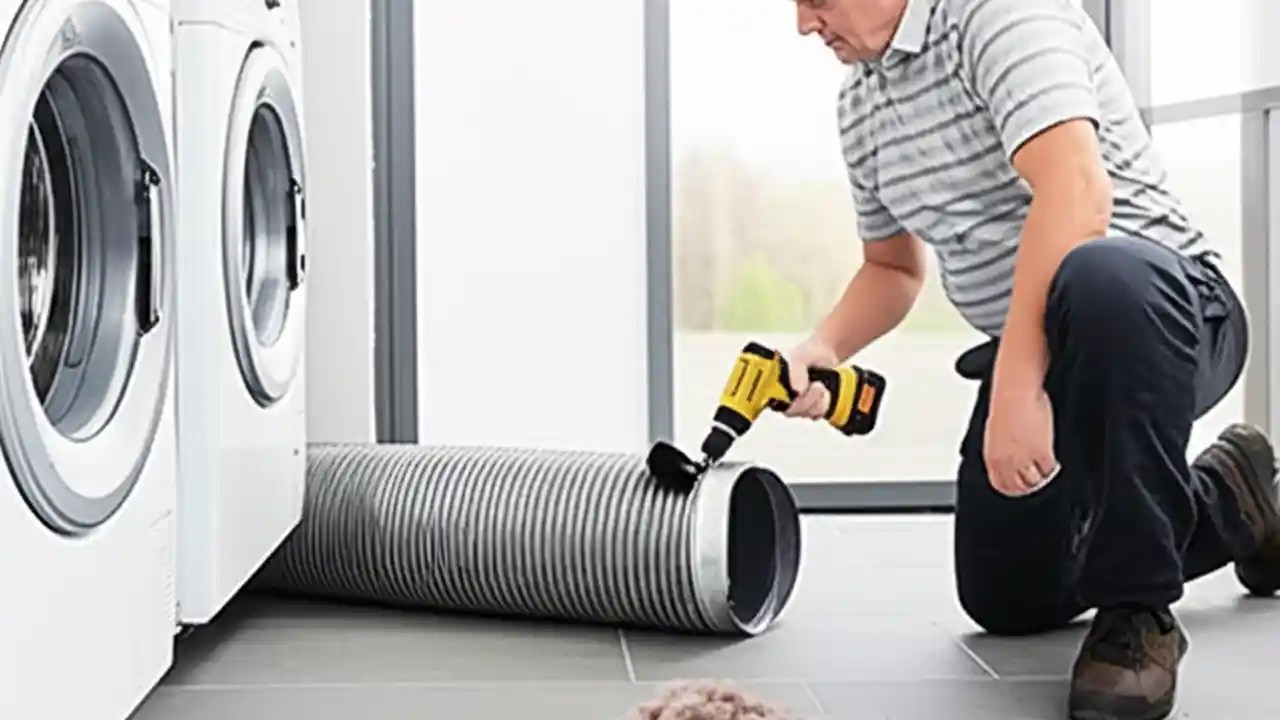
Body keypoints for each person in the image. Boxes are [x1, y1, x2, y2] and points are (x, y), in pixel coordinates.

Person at [780, 0, 1280, 718]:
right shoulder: (862, 103)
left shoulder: (1001, 12)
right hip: (1039, 349)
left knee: (1102, 274)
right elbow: (892, 269)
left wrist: (1015, 390)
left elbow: (1078, 194)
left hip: (1161, 317)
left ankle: (1136, 615)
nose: (803, 23)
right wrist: (823, 346)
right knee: (1007, 596)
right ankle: (1232, 497)